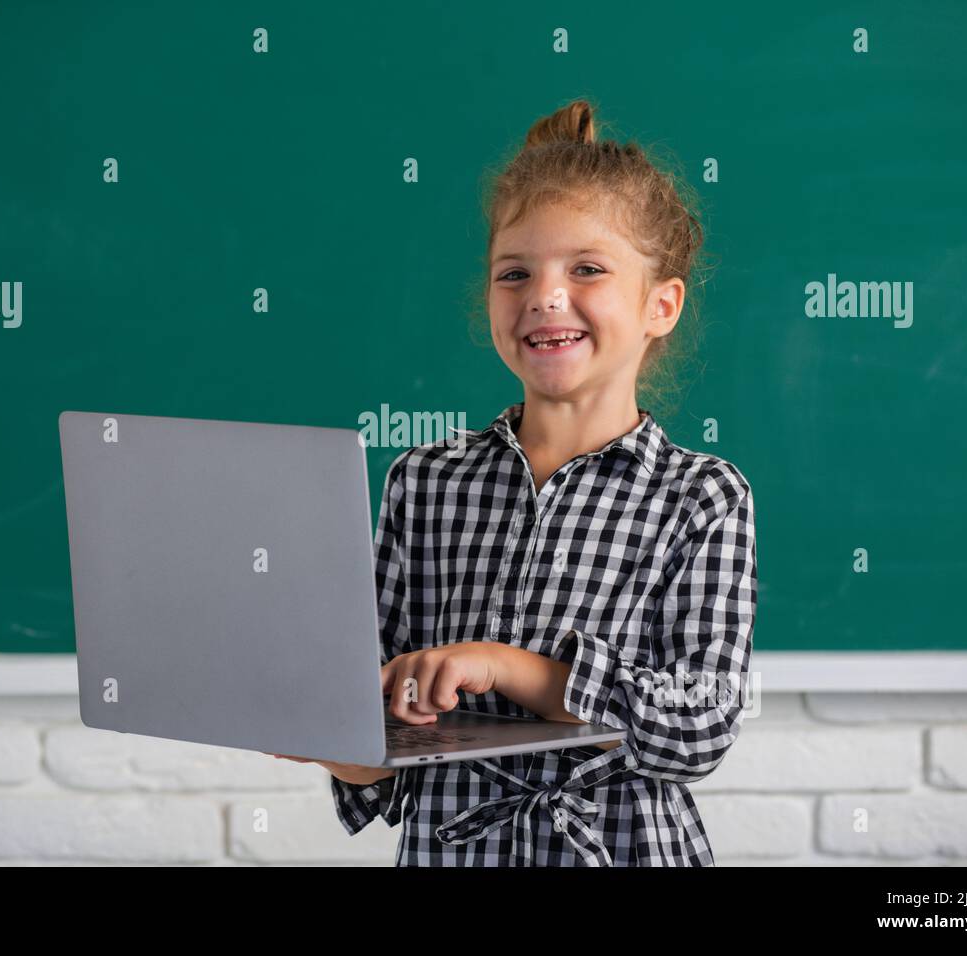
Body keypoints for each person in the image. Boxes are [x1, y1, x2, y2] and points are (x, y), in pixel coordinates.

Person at [275, 97, 757, 865]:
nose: (544, 295)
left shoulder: (701, 497)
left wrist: (505, 665)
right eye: (515, 272)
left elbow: (698, 729)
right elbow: (386, 752)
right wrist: (324, 737)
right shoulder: (423, 482)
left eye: (588, 269)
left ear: (661, 305)